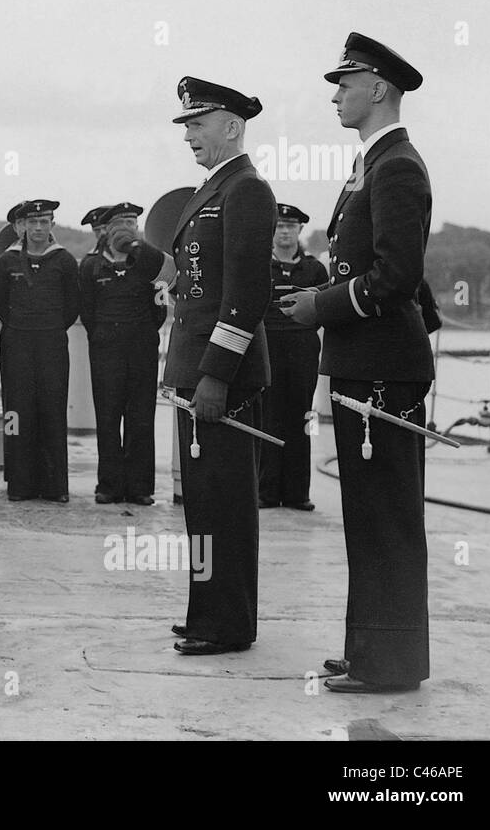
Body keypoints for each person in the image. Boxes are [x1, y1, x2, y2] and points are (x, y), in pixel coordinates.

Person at [282, 33, 432, 693]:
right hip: (363, 362)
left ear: (379, 89)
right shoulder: (370, 165)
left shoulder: (396, 166)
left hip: (382, 367)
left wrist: (323, 306)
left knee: (386, 520)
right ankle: (370, 647)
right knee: (366, 519)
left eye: (345, 83)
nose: (335, 94)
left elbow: (395, 278)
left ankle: (390, 663)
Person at [115, 77, 275, 656]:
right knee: (203, 503)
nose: (189, 135)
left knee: (226, 504)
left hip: (219, 375)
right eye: (185, 125)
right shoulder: (213, 189)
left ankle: (228, 624)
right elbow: (198, 284)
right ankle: (207, 613)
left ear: (231, 126)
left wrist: (215, 374)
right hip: (193, 368)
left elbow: (245, 291)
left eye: (198, 124)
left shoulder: (246, 190)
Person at [77, 202, 166, 505]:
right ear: (108, 227)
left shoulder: (149, 262)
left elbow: (160, 308)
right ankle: (109, 485)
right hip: (106, 350)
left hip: (142, 347)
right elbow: (86, 310)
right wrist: (104, 335)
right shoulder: (91, 265)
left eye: (132, 221)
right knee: (108, 416)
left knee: (141, 417)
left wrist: (141, 332)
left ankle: (140, 487)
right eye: (121, 221)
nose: (128, 227)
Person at [0, 199, 81, 502]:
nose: (38, 228)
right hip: (17, 342)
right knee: (17, 412)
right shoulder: (7, 262)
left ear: (52, 225)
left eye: (44, 222)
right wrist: (20, 325)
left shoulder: (64, 261)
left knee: (52, 410)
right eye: (33, 222)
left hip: (51, 344)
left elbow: (73, 305)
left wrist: (51, 326)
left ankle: (55, 486)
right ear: (22, 226)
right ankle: (20, 484)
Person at [259, 203, 327, 511]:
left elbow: (323, 309)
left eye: (290, 226)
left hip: (302, 347)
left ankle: (298, 492)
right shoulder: (260, 266)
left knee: (302, 417)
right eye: (279, 226)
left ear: (299, 230)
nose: (284, 232)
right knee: (269, 416)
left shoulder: (314, 269)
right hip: (270, 346)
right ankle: (267, 490)